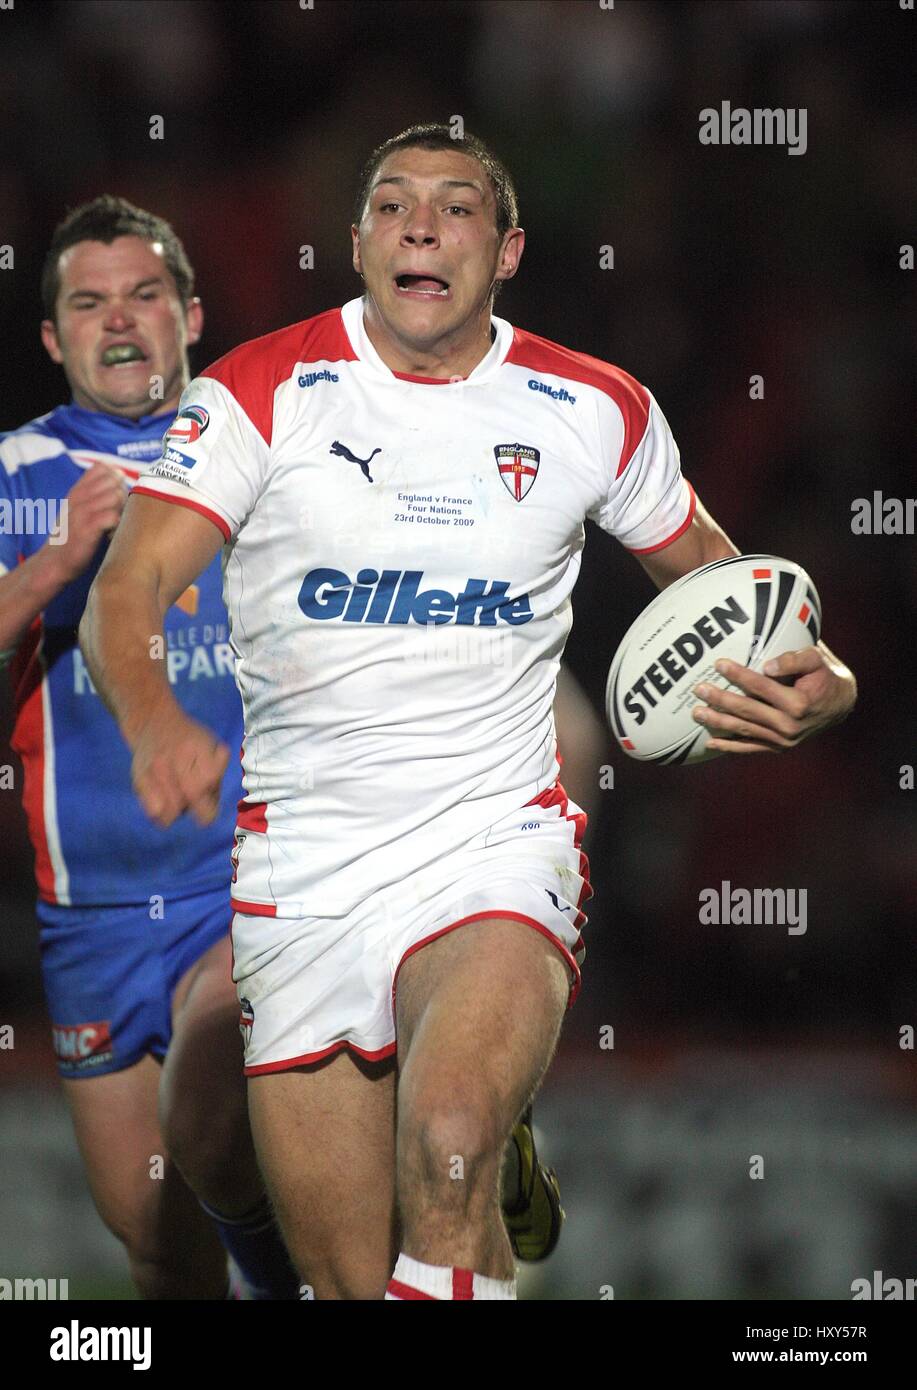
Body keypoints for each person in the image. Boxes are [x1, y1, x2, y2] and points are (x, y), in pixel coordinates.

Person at [79, 128, 857, 1301]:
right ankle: (484, 1200)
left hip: (493, 846)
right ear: (355, 244)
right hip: (308, 867)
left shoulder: (595, 407)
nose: (420, 228)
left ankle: (476, 1150)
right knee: (354, 1278)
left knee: (442, 1141)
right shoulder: (256, 390)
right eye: (390, 207)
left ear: (506, 252)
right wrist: (151, 720)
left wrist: (818, 676)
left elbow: (727, 596)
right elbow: (124, 589)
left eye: (453, 210)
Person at [0, 197, 300, 1298]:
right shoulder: (15, 474)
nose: (118, 322)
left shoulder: (261, 464)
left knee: (215, 1135)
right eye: (89, 303)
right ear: (52, 338)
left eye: (144, 297)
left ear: (192, 317)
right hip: (89, 917)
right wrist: (53, 566)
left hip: (245, 885)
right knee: (158, 1245)